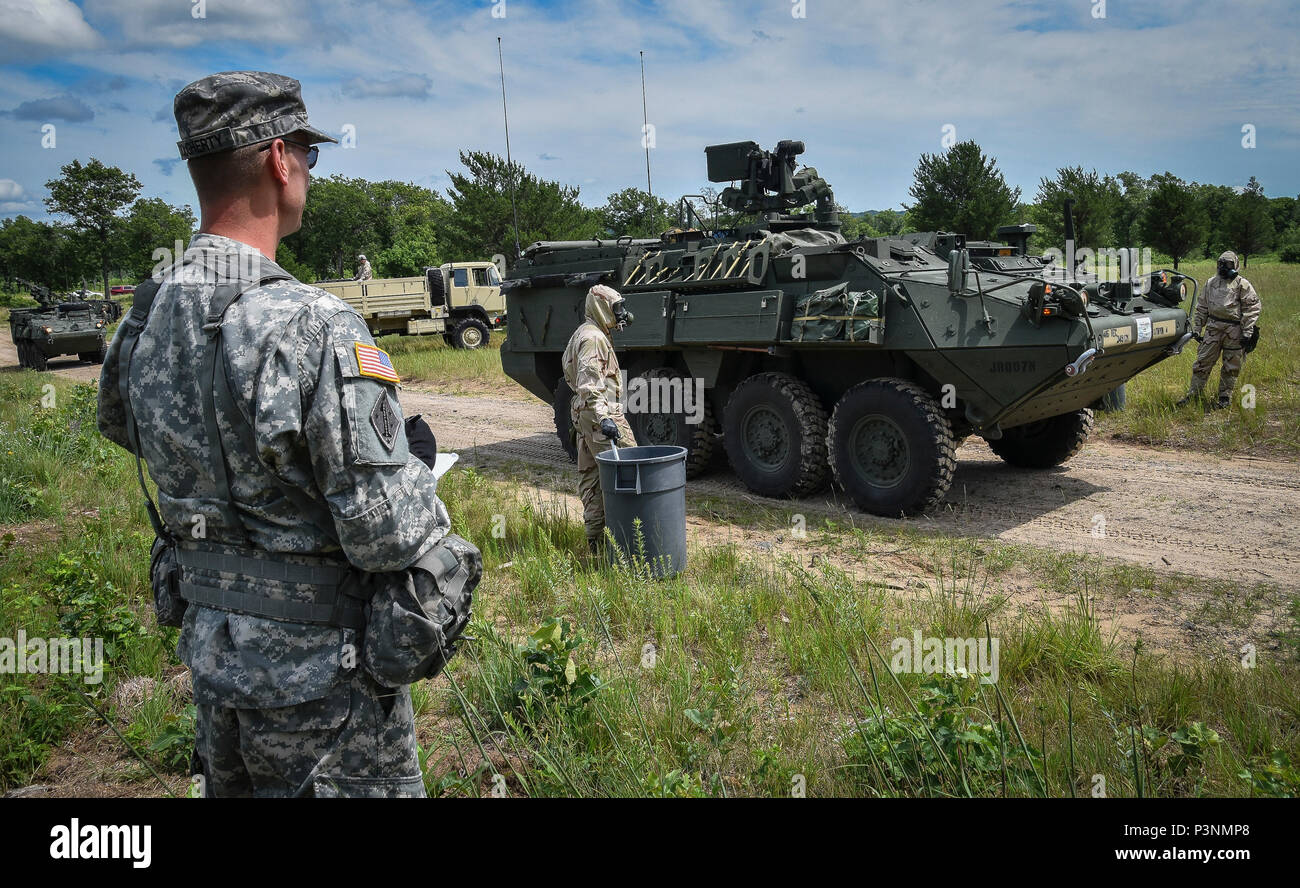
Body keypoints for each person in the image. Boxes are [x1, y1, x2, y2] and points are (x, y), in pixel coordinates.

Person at [97, 71, 452, 797]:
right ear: (277, 159)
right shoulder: (310, 323)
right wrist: (412, 469)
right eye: (309, 157)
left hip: (216, 662)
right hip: (325, 688)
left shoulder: (146, 315)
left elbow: (125, 425)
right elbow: (387, 536)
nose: (310, 176)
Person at [561, 284, 637, 554]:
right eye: (617, 309)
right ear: (601, 308)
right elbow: (589, 381)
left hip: (586, 414)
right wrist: (604, 417)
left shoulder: (585, 333)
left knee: (592, 478)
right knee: (632, 470)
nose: (622, 314)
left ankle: (597, 545)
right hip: (600, 412)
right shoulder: (593, 338)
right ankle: (634, 540)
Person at [1178, 250, 1261, 409]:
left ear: (1235, 265)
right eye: (1221, 264)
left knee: (1231, 366)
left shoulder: (1242, 284)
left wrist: (1247, 332)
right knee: (1202, 362)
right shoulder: (1211, 283)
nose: (1223, 267)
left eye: (1228, 265)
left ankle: (1224, 397)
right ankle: (1194, 395)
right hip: (1213, 328)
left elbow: (1252, 307)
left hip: (1235, 330)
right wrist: (1197, 328)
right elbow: (1202, 306)